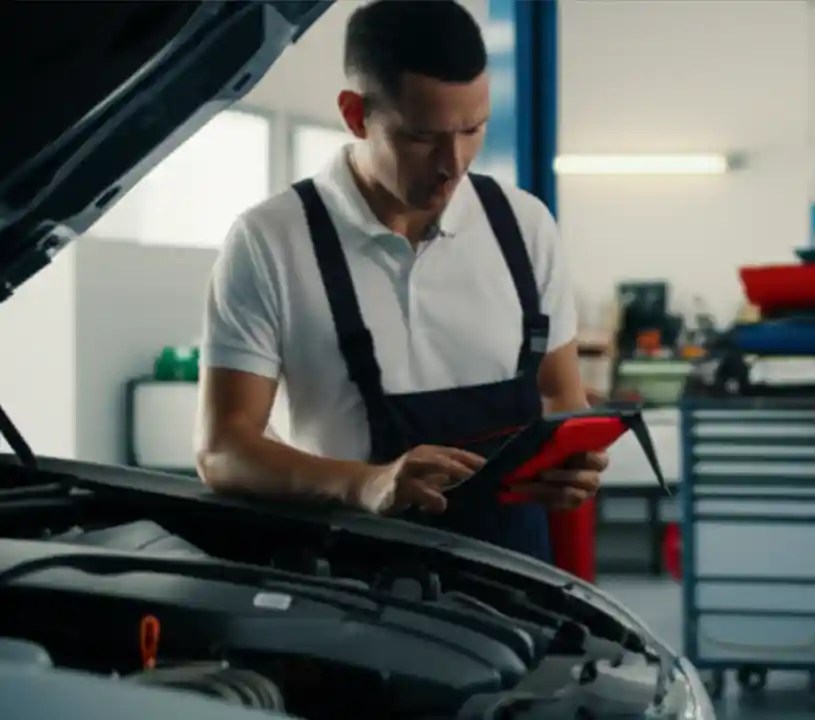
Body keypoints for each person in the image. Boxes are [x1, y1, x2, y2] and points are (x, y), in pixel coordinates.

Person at [195, 0, 604, 563]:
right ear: (356, 115)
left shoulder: (524, 226)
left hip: (517, 583)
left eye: (473, 129)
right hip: (349, 586)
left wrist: (571, 462)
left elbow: (560, 395)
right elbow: (223, 450)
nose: (452, 162)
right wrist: (366, 483)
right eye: (421, 137)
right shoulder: (271, 241)